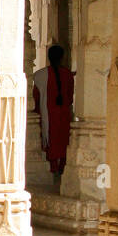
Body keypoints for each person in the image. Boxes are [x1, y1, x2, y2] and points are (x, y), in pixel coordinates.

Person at [32, 44, 74, 179]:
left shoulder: (39, 75)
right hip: (63, 114)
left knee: (50, 140)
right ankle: (62, 168)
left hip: (47, 114)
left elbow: (35, 98)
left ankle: (53, 168)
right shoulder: (68, 75)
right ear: (62, 58)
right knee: (63, 140)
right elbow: (70, 98)